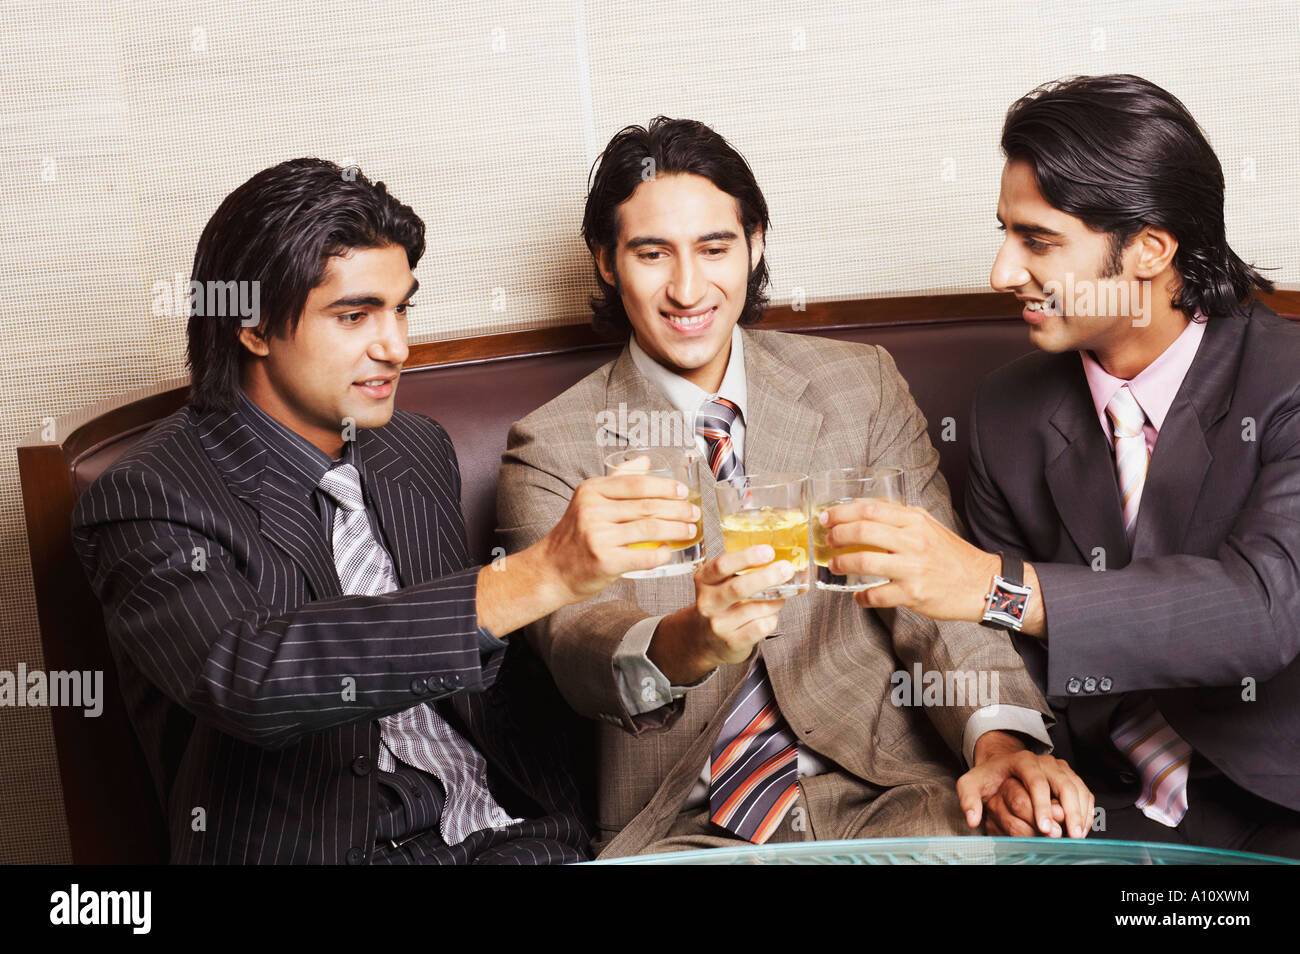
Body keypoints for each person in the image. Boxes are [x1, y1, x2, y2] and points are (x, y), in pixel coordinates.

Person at [71, 158, 703, 864]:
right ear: (250, 326)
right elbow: (247, 677)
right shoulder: (147, 496)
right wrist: (540, 574)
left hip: (512, 836)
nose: (395, 347)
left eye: (401, 307)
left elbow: (486, 684)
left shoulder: (412, 448)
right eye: (354, 315)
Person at [497, 118, 1093, 859]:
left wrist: (998, 744)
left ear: (755, 244)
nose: (687, 288)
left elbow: (936, 602)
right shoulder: (550, 444)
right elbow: (581, 652)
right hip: (686, 830)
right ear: (609, 263)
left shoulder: (860, 385)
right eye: (653, 254)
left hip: (897, 798)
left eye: (715, 248)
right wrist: (691, 639)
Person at [827, 75, 1300, 857]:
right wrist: (1012, 756)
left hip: (1279, 803)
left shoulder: (1285, 382)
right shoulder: (1007, 410)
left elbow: (1262, 609)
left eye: (1038, 241)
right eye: (1005, 234)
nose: (1002, 272)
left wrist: (995, 585)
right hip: (1095, 810)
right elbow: (997, 651)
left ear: (1150, 247)